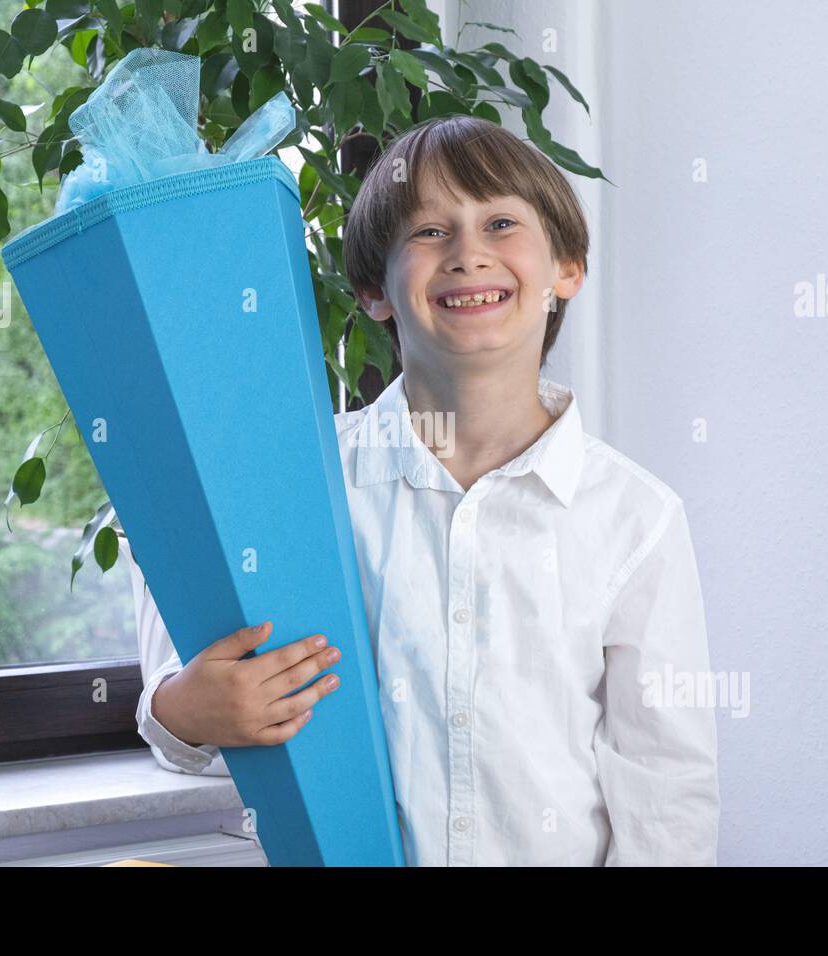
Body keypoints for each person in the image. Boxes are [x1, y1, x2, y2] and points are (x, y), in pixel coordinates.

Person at [127, 115, 719, 865]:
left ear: (566, 268)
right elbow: (190, 736)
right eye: (430, 233)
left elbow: (667, 791)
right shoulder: (302, 487)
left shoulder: (636, 520)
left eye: (500, 223)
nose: (469, 254)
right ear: (375, 290)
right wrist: (186, 710)